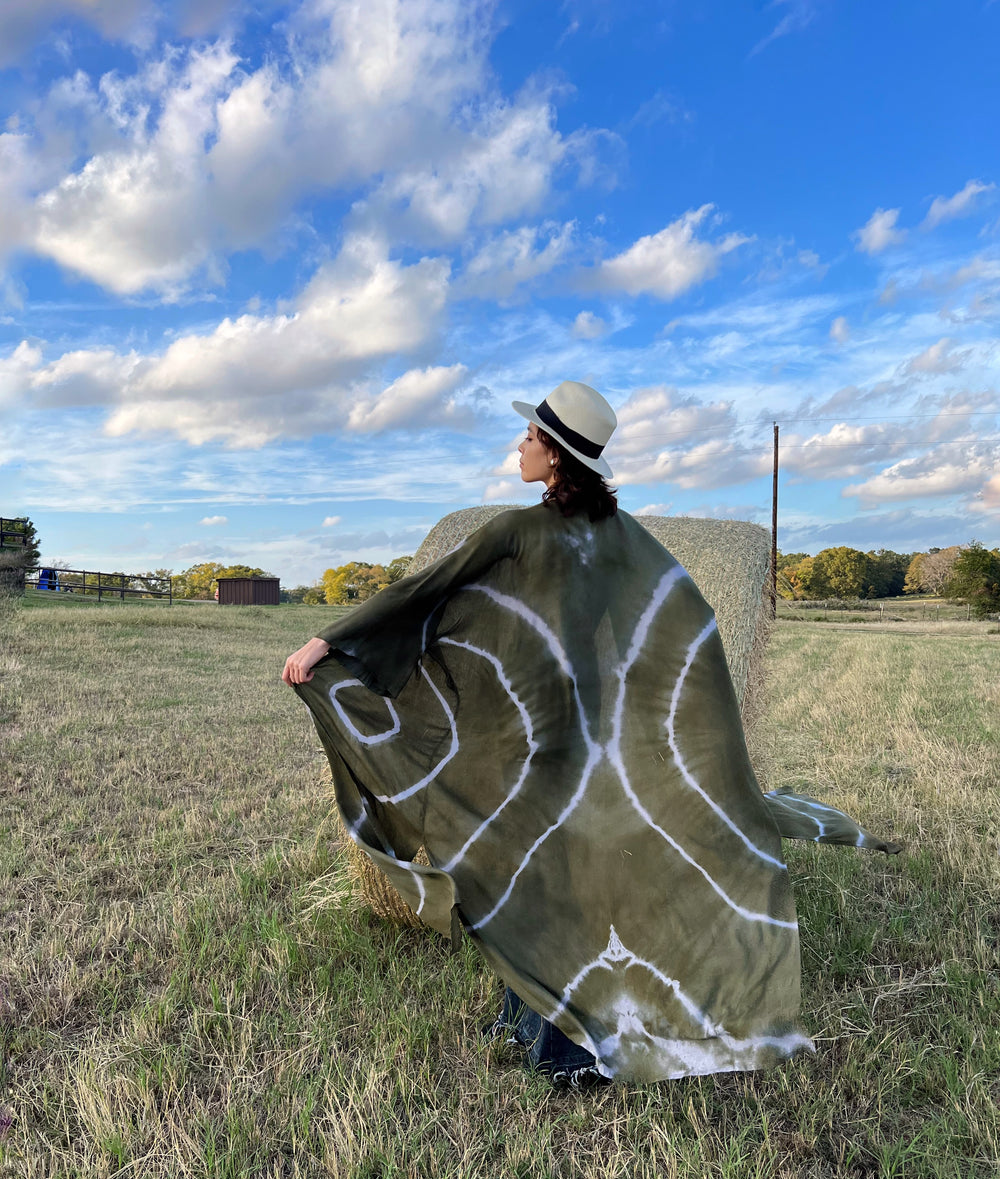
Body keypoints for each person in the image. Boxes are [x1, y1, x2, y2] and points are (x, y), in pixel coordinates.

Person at [283, 381, 897, 1089]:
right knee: (560, 879)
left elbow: (423, 594)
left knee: (530, 876)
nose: (519, 447)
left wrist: (328, 641)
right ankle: (537, 1023)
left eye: (529, 439)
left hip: (531, 732)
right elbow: (678, 615)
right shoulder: (624, 537)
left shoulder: (518, 531)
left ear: (554, 455)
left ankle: (562, 1042)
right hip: (587, 731)